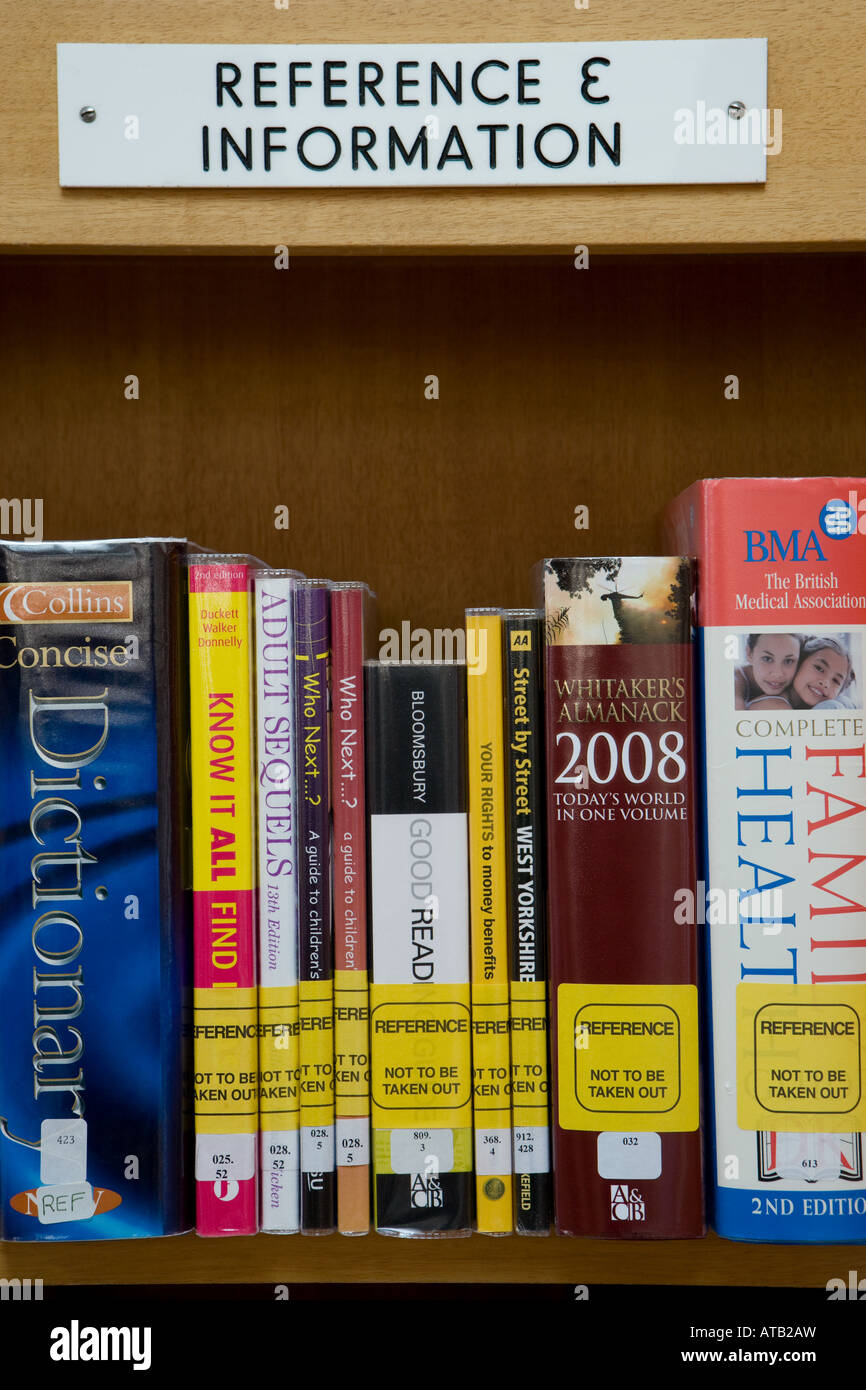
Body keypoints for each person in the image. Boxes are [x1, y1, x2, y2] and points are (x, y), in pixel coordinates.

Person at [734, 633, 801, 709]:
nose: (778, 673)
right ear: (749, 654)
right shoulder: (732, 682)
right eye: (767, 659)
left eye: (788, 661)